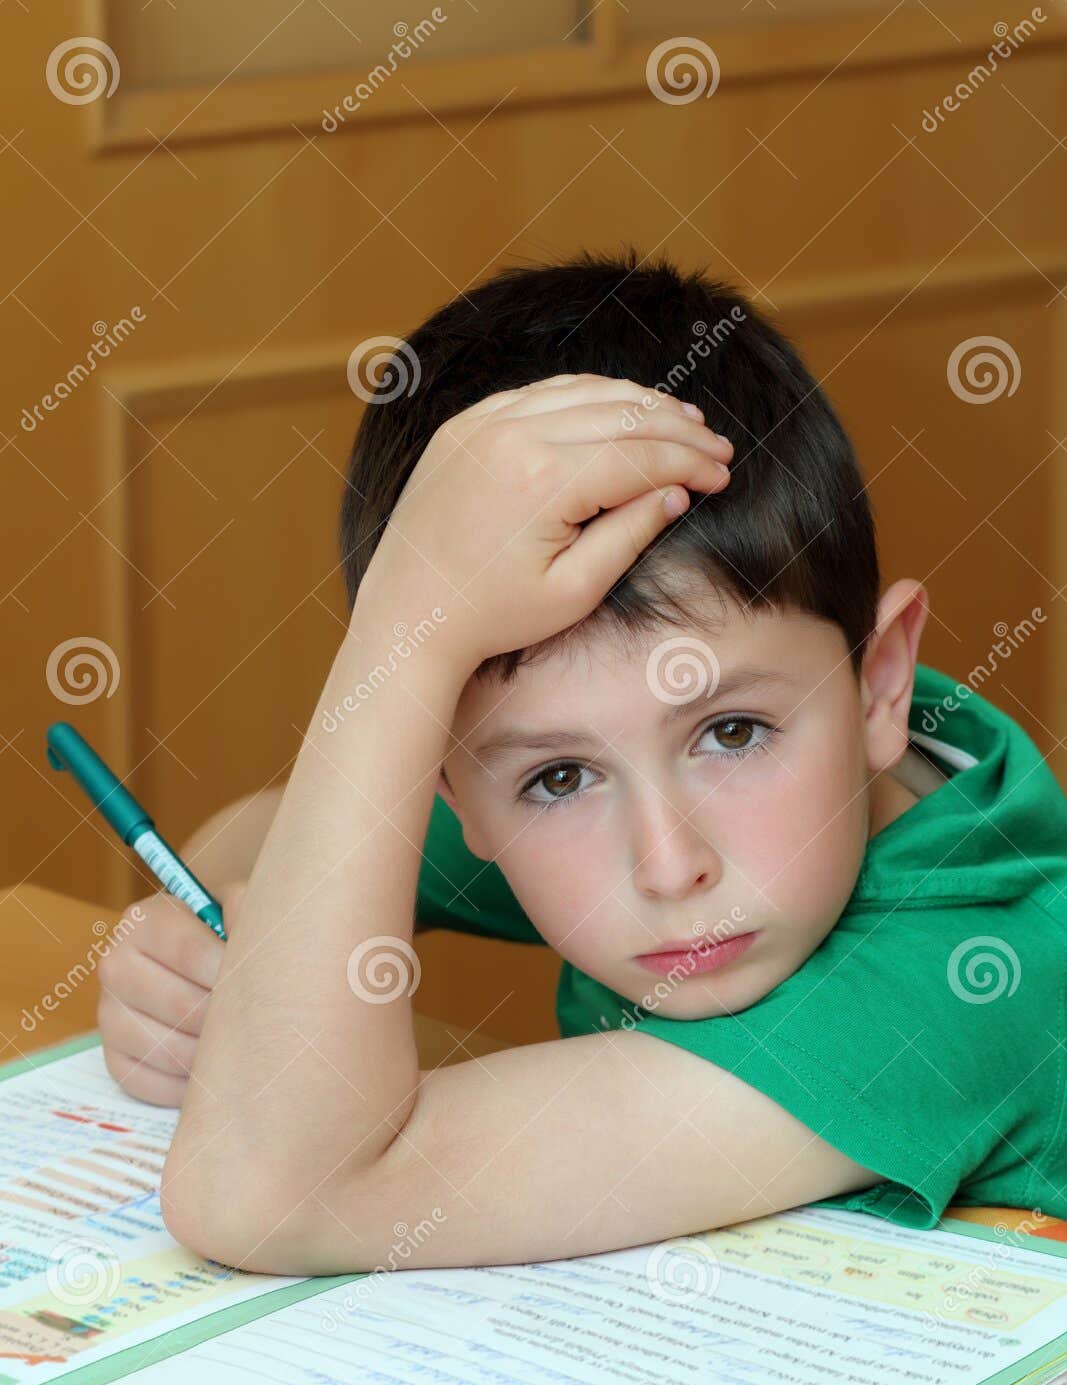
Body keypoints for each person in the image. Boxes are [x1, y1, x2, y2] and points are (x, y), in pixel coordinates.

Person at [97, 249, 1067, 1275]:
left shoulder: (964, 987)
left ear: (878, 682)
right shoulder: (757, 801)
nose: (665, 864)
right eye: (557, 777)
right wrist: (209, 953)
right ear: (450, 782)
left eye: (730, 733)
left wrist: (399, 642)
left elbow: (271, 1198)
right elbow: (260, 836)